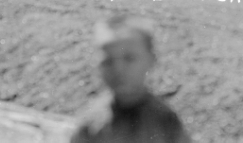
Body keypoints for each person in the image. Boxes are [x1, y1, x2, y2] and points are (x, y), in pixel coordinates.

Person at [70, 14, 191, 143]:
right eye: (108, 61)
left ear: (151, 59)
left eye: (129, 58)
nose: (118, 69)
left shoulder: (165, 122)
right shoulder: (91, 125)